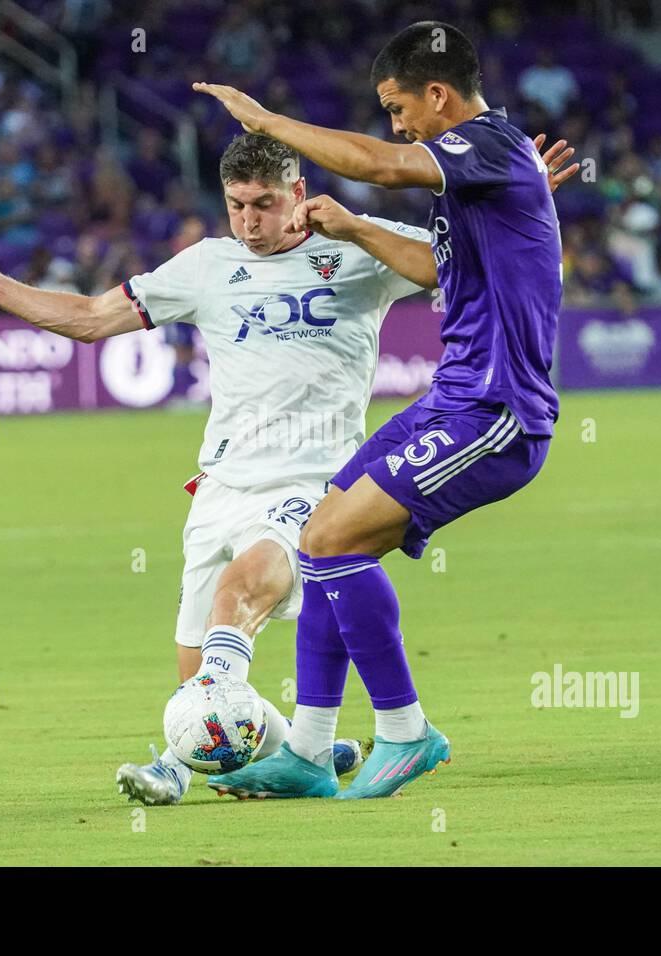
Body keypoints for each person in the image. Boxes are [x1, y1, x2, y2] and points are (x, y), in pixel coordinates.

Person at [0, 128, 578, 805]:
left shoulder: (353, 242)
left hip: (312, 484)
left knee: (241, 592)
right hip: (220, 486)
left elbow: (454, 263)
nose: (249, 222)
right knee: (200, 680)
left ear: (298, 191)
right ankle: (304, 750)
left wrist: (517, 206)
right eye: (236, 205)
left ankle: (213, 760)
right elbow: (89, 318)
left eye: (262, 204)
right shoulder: (205, 266)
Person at [195, 20, 567, 798]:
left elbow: (379, 163)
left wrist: (264, 120)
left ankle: (405, 730)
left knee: (332, 539)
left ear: (438, 95)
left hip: (497, 411)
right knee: (317, 532)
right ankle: (307, 749)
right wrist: (355, 227)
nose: (396, 124)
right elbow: (438, 267)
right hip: (450, 399)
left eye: (399, 107)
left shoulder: (486, 146)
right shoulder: (481, 173)